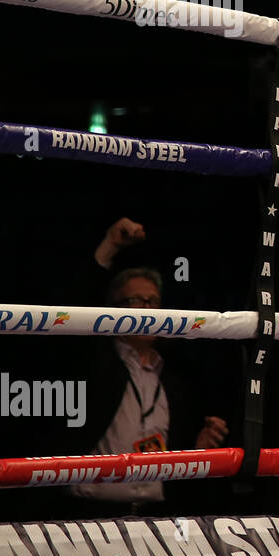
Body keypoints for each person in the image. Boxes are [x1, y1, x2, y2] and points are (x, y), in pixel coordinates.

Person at [63, 217, 229, 517]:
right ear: (114, 310)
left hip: (154, 516)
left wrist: (197, 449)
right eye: (136, 300)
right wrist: (109, 246)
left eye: (153, 301)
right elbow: (77, 308)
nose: (147, 309)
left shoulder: (175, 378)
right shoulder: (93, 361)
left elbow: (174, 457)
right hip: (89, 514)